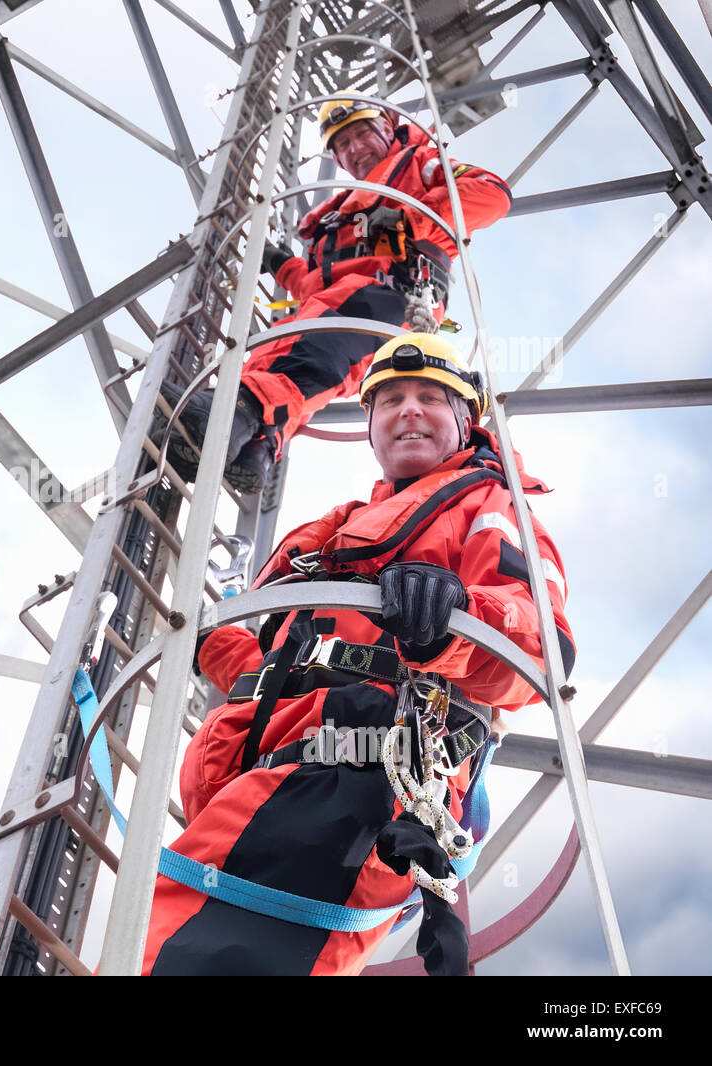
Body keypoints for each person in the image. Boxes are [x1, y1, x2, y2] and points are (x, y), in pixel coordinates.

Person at [141, 332, 574, 976]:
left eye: (431, 397)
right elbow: (292, 668)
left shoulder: (487, 506)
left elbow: (539, 652)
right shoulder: (336, 530)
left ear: (465, 420)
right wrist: (217, 642)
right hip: (265, 785)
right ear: (371, 429)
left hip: (357, 788)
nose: (408, 410)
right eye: (390, 399)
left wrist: (451, 618)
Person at [162, 97, 513, 495]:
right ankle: (257, 446)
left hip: (396, 289)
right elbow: (318, 285)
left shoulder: (420, 166)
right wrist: (281, 264)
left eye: (363, 134)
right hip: (343, 297)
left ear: (386, 131)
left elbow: (491, 194)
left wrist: (410, 219)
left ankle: (235, 414)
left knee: (314, 351)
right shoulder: (333, 218)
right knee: (286, 350)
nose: (355, 148)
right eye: (343, 144)